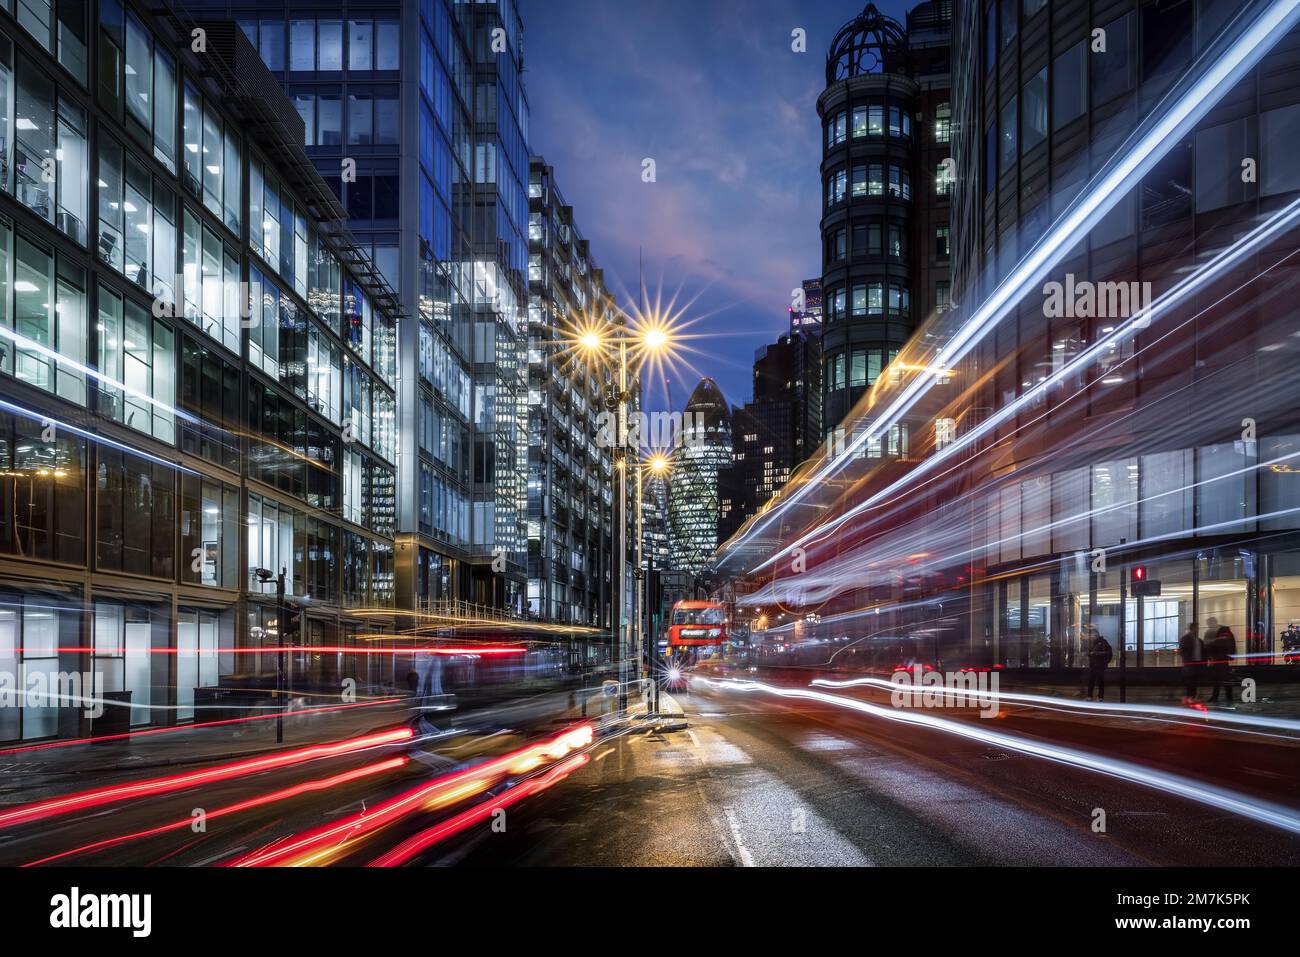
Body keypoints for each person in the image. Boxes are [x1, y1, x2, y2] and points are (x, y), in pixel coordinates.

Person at [1208, 625, 1237, 705]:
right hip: (1224, 662)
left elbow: (1210, 648)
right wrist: (1231, 657)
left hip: (1217, 662)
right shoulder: (1229, 637)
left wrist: (1211, 658)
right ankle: (1229, 697)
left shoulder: (1217, 640)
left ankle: (1215, 697)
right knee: (1226, 680)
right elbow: (1232, 648)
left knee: (1217, 681)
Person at [1178, 620, 1203, 704]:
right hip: (1190, 663)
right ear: (1193, 628)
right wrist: (1187, 660)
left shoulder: (1198, 639)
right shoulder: (1186, 639)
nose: (1198, 629)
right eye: (1197, 627)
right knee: (1190, 680)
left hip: (1197, 662)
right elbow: (1182, 651)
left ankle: (1192, 696)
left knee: (1194, 680)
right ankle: (1189, 696)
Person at [1086, 629, 1113, 700]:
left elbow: (1109, 653)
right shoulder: (1092, 643)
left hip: (1100, 666)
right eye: (1090, 635)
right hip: (1093, 665)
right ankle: (1089, 696)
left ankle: (1100, 697)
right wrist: (1090, 654)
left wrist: (1096, 654)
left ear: (1096, 635)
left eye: (1092, 635)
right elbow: (1089, 652)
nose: (1091, 636)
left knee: (1100, 681)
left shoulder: (1103, 642)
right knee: (1091, 681)